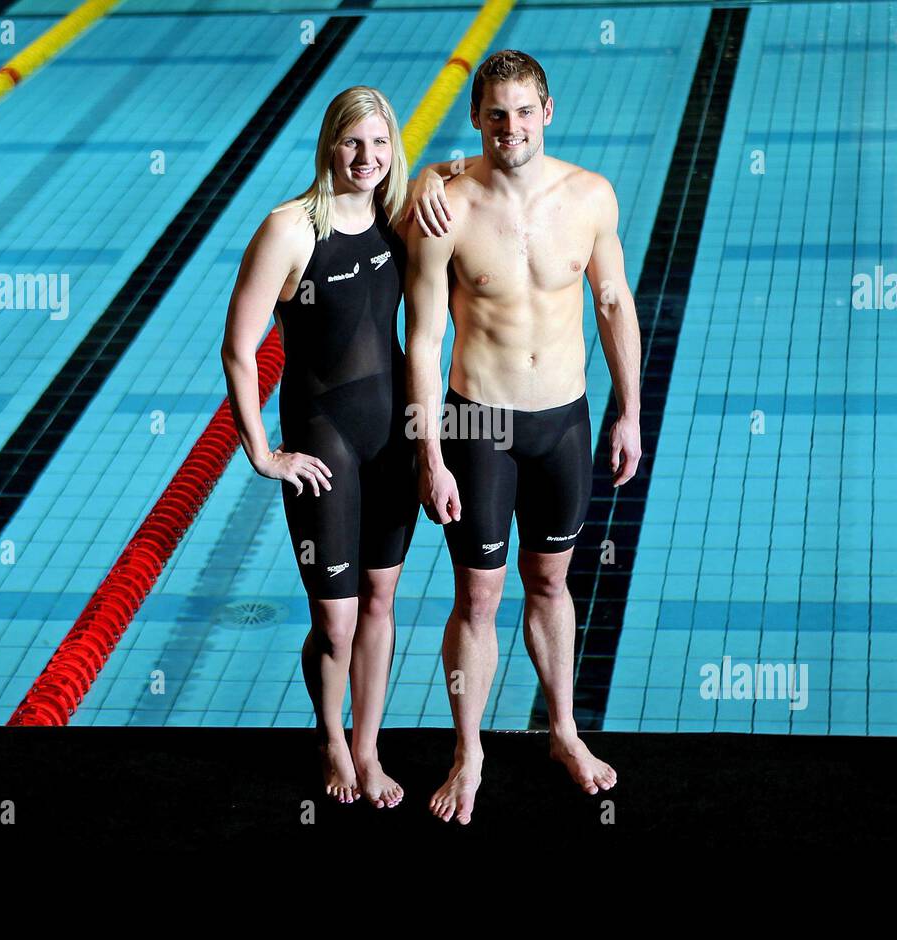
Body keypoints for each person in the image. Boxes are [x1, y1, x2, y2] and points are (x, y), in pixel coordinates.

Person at [404, 50, 643, 825]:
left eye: (524, 111)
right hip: (477, 422)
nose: (511, 127)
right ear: (476, 119)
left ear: (549, 112)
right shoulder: (446, 205)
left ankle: (564, 732)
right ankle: (468, 751)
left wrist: (629, 411)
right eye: (496, 114)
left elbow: (613, 303)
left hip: (563, 421)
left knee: (550, 585)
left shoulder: (590, 196)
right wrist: (429, 453)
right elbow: (423, 341)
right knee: (477, 597)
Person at [222, 86, 425, 808]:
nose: (367, 159)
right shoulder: (290, 230)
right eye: (352, 144)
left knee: (380, 600)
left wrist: (456, 168)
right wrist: (261, 452)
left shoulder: (398, 222)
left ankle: (366, 748)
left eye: (380, 144)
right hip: (323, 438)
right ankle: (329, 736)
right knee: (334, 620)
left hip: (392, 437)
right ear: (328, 147)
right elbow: (239, 348)